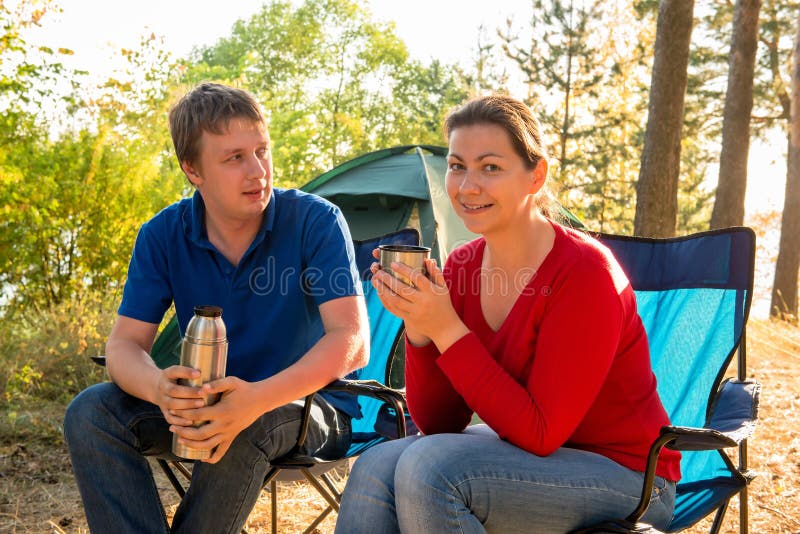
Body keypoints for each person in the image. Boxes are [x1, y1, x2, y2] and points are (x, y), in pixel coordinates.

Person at [334, 94, 681, 533]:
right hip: (526, 459)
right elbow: (441, 423)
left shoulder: (585, 273)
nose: (466, 186)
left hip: (629, 477)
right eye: (457, 166)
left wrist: (448, 328)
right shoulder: (461, 267)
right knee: (378, 464)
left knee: (432, 469)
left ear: (536, 176)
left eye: (490, 167)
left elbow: (540, 431)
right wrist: (421, 330)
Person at [63, 82, 369, 533]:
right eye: (234, 158)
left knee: (243, 424)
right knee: (91, 412)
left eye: (262, 151)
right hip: (208, 403)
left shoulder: (315, 221)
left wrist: (254, 399)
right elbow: (124, 346)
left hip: (308, 404)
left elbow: (352, 339)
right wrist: (158, 389)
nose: (258, 171)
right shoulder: (163, 235)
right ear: (193, 171)